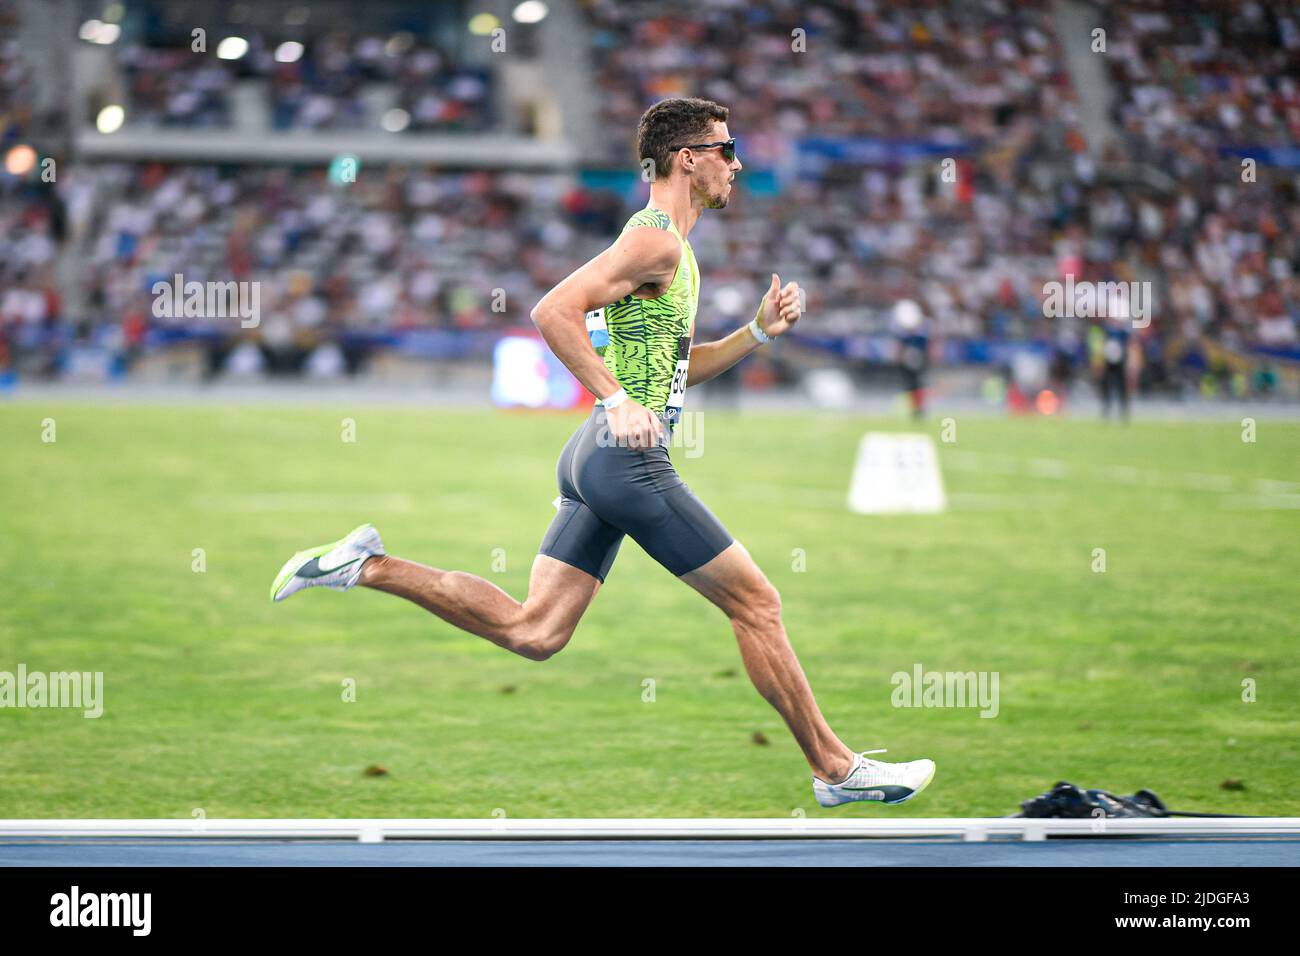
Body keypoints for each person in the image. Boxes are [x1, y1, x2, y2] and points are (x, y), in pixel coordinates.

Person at [270, 97, 935, 807]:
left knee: (536, 631)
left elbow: (680, 368)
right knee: (759, 605)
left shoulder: (673, 249)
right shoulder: (656, 243)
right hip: (621, 459)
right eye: (727, 149)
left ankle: (363, 565)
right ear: (689, 158)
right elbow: (552, 311)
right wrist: (617, 401)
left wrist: (758, 334)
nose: (737, 164)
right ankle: (834, 769)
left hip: (595, 455)